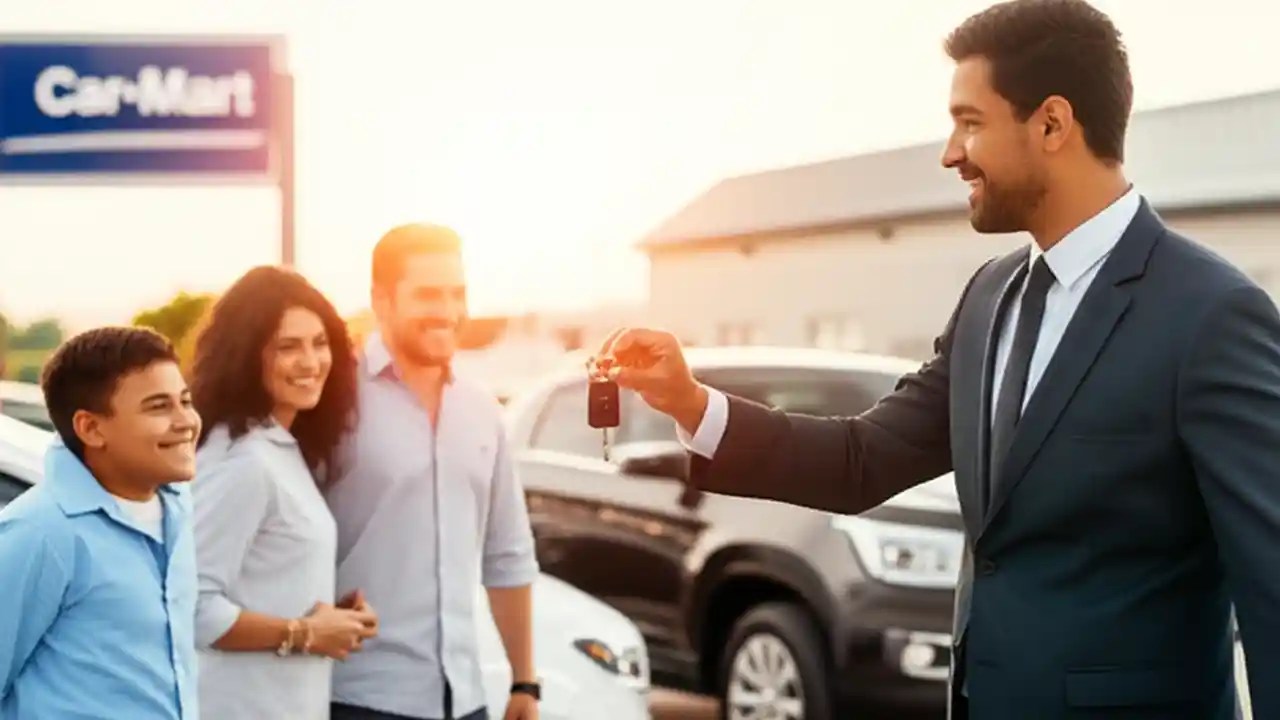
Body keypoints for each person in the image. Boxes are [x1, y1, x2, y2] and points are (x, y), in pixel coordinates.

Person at [596, 1, 1280, 719]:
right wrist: (691, 403)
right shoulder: (990, 298)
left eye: (970, 122)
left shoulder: (1211, 316)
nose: (950, 152)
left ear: (1051, 123)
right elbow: (863, 458)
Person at [324, 224, 541, 720]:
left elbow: (507, 554)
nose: (447, 311)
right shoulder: (333, 398)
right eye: (427, 294)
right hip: (357, 697)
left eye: (457, 293)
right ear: (382, 300)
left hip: (464, 699)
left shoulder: (482, 408)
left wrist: (525, 680)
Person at [188, 266, 379, 719]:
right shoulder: (243, 462)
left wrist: (332, 618)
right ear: (246, 356)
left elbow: (255, 581)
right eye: (287, 347)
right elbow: (191, 607)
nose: (311, 362)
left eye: (319, 342)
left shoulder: (278, 449)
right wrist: (304, 632)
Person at [0, 326, 202, 719]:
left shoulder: (177, 508)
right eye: (159, 406)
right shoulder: (41, 532)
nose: (186, 421)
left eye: (185, 400)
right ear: (91, 428)